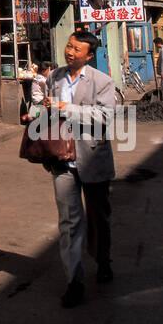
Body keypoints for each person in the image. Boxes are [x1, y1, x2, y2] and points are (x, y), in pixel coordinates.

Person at [41, 31, 116, 308]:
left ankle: (103, 259)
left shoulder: (102, 81)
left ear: (88, 55)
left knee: (98, 218)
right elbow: (46, 108)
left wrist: (67, 108)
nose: (69, 52)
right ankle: (74, 281)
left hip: (92, 158)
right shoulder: (54, 77)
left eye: (76, 49)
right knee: (69, 222)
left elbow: (106, 116)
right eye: (68, 46)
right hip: (62, 161)